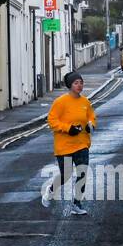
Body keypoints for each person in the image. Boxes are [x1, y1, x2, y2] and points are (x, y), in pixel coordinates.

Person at [41, 71, 98, 216]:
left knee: (82, 174)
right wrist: (68, 129)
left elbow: (91, 116)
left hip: (82, 144)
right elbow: (52, 120)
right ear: (70, 85)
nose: (80, 85)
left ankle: (76, 204)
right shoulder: (60, 102)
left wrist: (90, 125)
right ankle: (51, 190)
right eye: (76, 83)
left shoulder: (85, 102)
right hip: (64, 146)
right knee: (66, 175)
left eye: (81, 82)